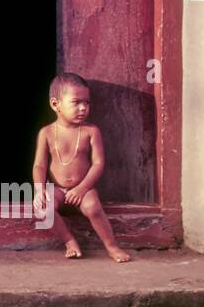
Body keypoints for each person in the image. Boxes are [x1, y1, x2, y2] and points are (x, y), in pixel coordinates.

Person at [32, 72, 132, 262]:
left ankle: (112, 246)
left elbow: (98, 163)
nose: (83, 108)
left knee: (93, 207)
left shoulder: (90, 131)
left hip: (84, 189)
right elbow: (39, 165)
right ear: (55, 104)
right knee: (43, 209)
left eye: (87, 103)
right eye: (76, 102)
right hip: (58, 190)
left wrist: (82, 188)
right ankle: (69, 241)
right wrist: (40, 189)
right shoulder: (46, 133)